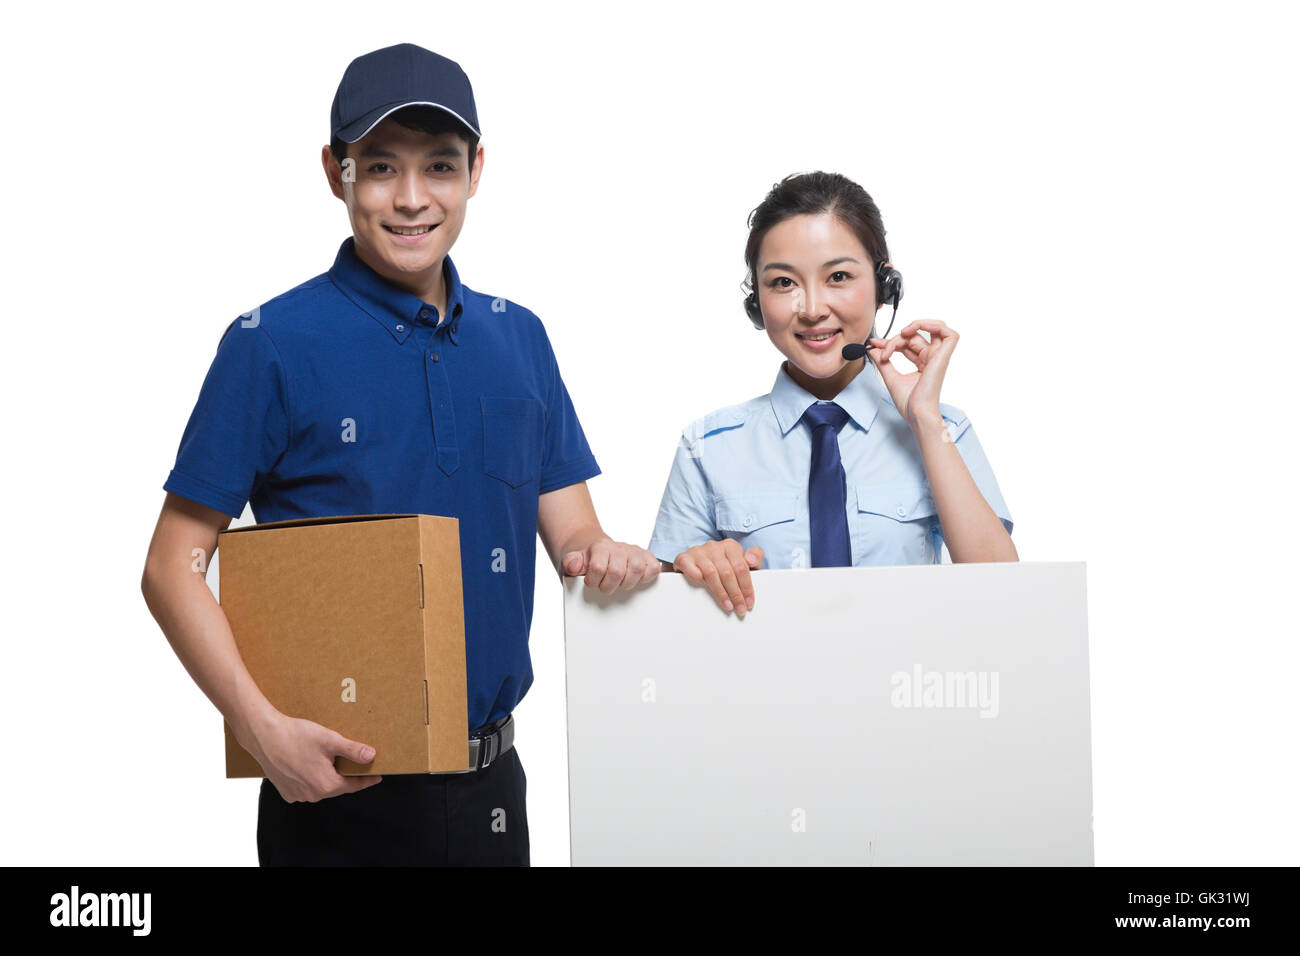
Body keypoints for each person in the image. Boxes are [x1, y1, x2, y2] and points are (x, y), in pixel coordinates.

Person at [140, 43, 659, 866]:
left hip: (495, 792)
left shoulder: (520, 337)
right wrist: (261, 731)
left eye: (440, 167)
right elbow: (171, 566)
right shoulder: (269, 343)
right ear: (334, 171)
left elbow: (575, 542)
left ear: (477, 170)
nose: (411, 199)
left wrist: (617, 560)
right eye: (380, 167)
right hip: (337, 793)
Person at [648, 171, 1016, 615]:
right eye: (783, 282)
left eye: (838, 276)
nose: (813, 308)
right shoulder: (707, 447)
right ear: (757, 304)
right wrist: (693, 566)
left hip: (904, 680)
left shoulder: (943, 430)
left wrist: (924, 419)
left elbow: (1004, 598)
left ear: (884, 287)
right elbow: (664, 628)